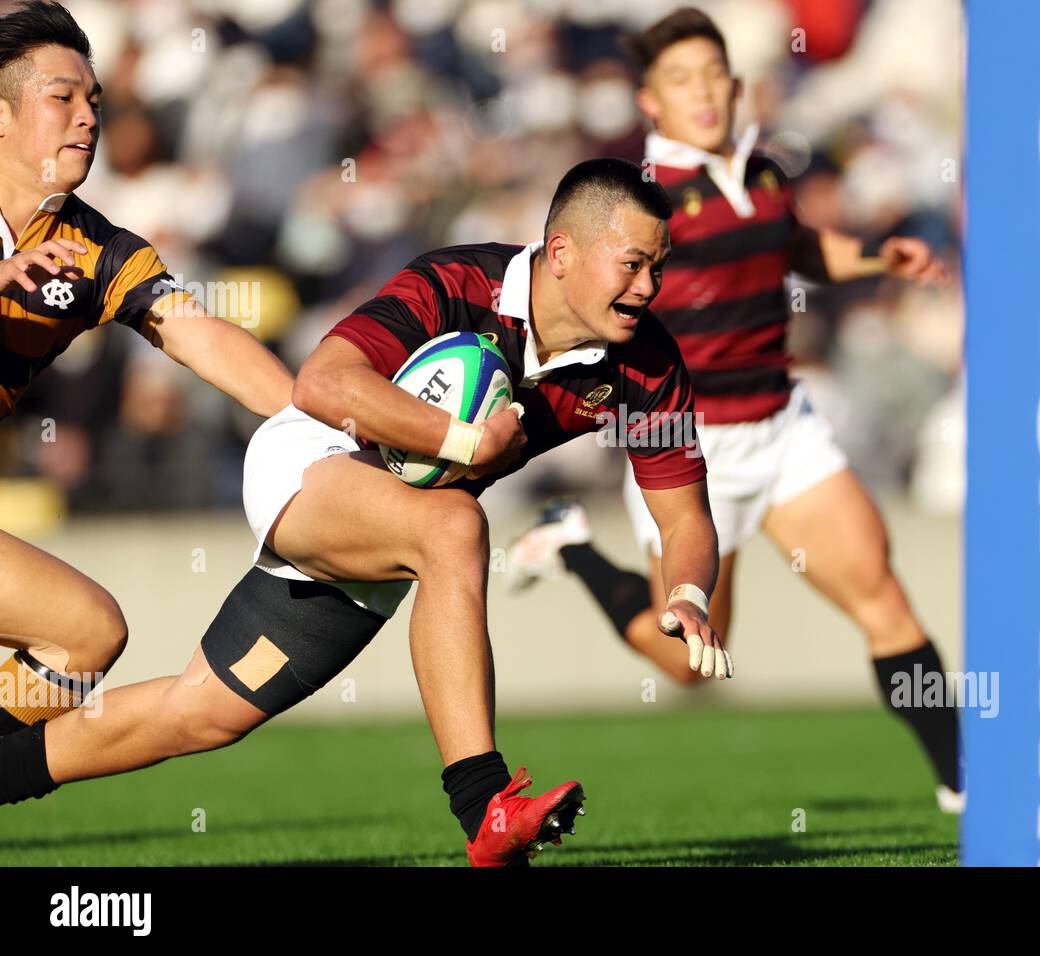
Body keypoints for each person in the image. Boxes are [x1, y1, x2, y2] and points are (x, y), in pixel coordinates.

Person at [1, 157, 729, 866]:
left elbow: (685, 518)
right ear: (562, 251)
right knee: (455, 526)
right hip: (311, 462)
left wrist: (691, 592)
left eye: (659, 269)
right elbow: (323, 384)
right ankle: (485, 804)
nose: (648, 287)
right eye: (632, 264)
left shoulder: (649, 367)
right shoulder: (459, 280)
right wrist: (468, 442)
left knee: (202, 712)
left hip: (398, 522)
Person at [505, 7, 964, 811]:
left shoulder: (761, 172)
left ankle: (969, 784)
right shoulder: (641, 203)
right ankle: (574, 546)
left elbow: (792, 246)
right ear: (650, 101)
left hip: (784, 429)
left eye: (714, 74)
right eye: (681, 79)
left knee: (884, 601)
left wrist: (872, 255)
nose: (704, 92)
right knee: (688, 665)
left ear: (738, 83)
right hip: (688, 446)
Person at [0, 2, 292, 740]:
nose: (87, 117)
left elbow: (204, 339)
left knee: (85, 631)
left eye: (94, 101)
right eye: (61, 97)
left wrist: (326, 420)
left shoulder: (98, 249)